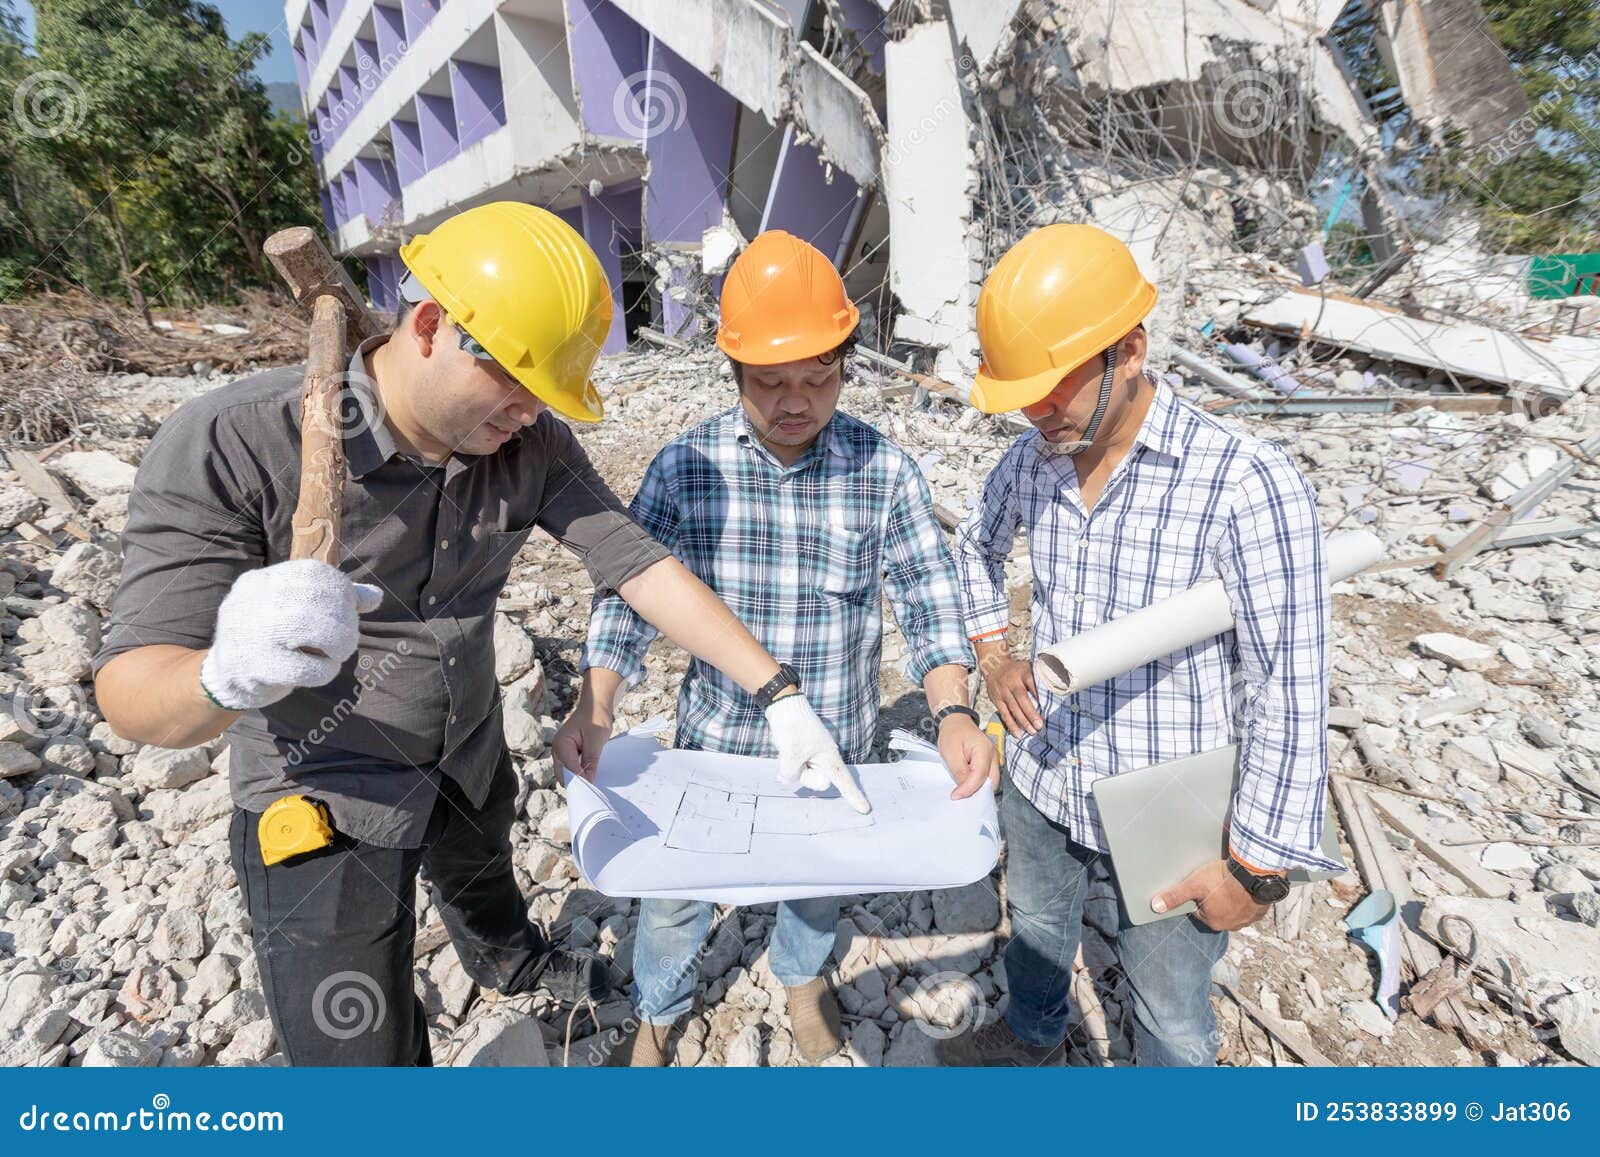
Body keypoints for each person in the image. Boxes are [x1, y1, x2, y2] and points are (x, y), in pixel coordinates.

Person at [93, 203, 855, 1066]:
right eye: (516, 383)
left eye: (549, 394)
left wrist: (776, 691)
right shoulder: (235, 443)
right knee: (363, 1060)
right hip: (326, 794)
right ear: (429, 327)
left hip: (464, 745)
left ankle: (507, 956)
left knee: (482, 865)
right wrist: (228, 670)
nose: (529, 414)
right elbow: (131, 694)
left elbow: (639, 567)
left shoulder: (529, 445)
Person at [557, 231, 999, 1066]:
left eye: (819, 379)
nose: (797, 401)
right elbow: (629, 596)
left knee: (815, 894)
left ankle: (801, 979)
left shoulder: (883, 472)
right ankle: (660, 1004)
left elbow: (929, 602)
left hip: (834, 753)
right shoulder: (688, 468)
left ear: (844, 364)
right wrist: (599, 702)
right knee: (675, 901)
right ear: (732, 371)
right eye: (771, 383)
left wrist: (950, 710)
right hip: (715, 755)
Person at [942, 224, 1336, 1066]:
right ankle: (1033, 1034)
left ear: (1131, 348)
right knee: (1041, 929)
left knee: (1169, 1010)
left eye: (1055, 387)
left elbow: (1289, 685)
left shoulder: (1245, 483)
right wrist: (994, 653)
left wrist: (1256, 867)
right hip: (1046, 774)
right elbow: (972, 548)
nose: (1034, 410)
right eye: (1022, 392)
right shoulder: (1030, 460)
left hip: (1171, 810)